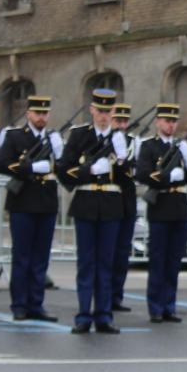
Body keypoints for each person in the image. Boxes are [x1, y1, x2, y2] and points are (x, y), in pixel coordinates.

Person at [57, 89, 128, 335]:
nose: (104, 116)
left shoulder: (120, 139)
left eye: (108, 112)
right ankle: (83, 315)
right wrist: (88, 171)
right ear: (92, 110)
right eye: (100, 111)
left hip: (110, 203)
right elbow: (64, 169)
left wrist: (122, 160)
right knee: (87, 263)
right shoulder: (79, 136)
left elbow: (129, 179)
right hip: (86, 202)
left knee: (106, 263)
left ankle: (104, 316)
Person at [0, 95, 61, 323]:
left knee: (40, 258)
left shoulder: (53, 139)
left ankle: (37, 303)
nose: (42, 117)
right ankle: (19, 304)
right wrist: (31, 167)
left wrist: (59, 154)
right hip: (23, 201)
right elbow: (2, 162)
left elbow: (63, 168)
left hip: (46, 202)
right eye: (38, 113)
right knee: (22, 256)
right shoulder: (15, 136)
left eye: (45, 114)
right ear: (28, 114)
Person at [134, 103, 187, 323]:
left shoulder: (181, 146)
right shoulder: (149, 146)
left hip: (179, 207)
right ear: (158, 122)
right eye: (167, 121)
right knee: (158, 260)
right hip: (160, 207)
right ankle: (156, 307)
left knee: (174, 261)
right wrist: (169, 177)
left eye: (174, 121)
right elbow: (142, 174)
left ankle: (169, 305)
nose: (171, 125)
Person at [111, 103, 137, 313]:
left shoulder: (134, 143)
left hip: (127, 202)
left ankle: (116, 296)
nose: (121, 124)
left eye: (124, 121)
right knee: (106, 252)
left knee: (121, 253)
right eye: (117, 120)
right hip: (109, 201)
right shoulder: (104, 141)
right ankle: (103, 295)